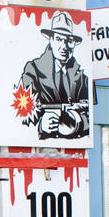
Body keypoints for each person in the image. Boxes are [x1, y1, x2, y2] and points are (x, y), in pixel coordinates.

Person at [20, 10, 88, 140]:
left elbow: (93, 115)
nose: (64, 46)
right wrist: (40, 126)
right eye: (58, 39)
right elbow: (21, 114)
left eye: (69, 41)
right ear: (50, 40)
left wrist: (78, 121)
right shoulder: (33, 69)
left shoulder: (82, 74)